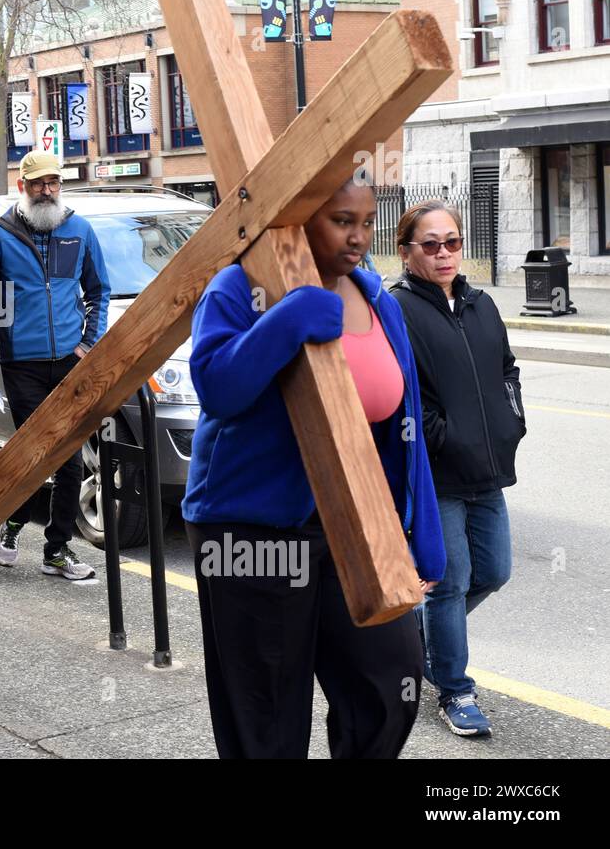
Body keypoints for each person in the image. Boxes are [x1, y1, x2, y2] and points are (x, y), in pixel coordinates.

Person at [181, 176, 446, 759]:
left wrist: (418, 534)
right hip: (252, 530)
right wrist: (288, 319)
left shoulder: (375, 297)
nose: (359, 236)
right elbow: (220, 389)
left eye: (367, 221)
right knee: (268, 711)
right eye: (341, 221)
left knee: (388, 683)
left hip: (354, 522)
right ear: (300, 220)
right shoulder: (239, 288)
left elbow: (405, 429)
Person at [390, 200, 522, 739]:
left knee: (494, 572)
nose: (444, 253)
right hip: (437, 473)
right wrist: (445, 437)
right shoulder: (395, 308)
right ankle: (453, 689)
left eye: (453, 242)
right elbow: (401, 392)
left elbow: (506, 368)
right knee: (448, 582)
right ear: (407, 252)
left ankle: (419, 638)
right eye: (431, 244)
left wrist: (513, 419)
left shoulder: (480, 303)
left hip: (488, 470)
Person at [0, 150, 110, 580]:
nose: (46, 190)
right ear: (22, 187)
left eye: (52, 183)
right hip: (21, 364)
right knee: (37, 457)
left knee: (67, 459)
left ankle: (56, 548)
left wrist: (89, 343)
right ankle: (14, 526)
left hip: (69, 363)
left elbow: (98, 292)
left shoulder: (79, 229)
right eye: (37, 184)